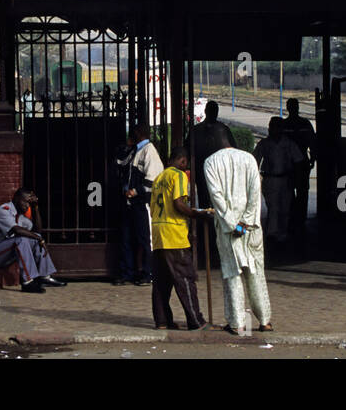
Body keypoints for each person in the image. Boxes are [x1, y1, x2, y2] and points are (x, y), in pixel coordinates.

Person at [203, 145, 272, 334]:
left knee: (232, 273)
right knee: (256, 272)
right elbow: (255, 195)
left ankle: (238, 324)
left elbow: (216, 196)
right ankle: (264, 321)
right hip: (250, 228)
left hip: (227, 229)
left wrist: (233, 224)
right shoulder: (249, 159)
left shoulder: (210, 162)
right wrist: (245, 222)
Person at [150, 147, 213, 330]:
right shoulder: (178, 175)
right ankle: (196, 321)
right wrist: (197, 214)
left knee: (162, 281)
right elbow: (179, 204)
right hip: (174, 235)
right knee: (185, 278)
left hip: (158, 234)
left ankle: (162, 321)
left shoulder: (158, 179)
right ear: (183, 161)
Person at [0, 188, 67, 293]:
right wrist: (38, 237)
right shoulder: (4, 210)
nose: (27, 205)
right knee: (21, 240)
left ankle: (44, 277)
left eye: (29, 203)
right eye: (25, 202)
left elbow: (37, 231)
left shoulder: (21, 217)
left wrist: (35, 207)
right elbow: (16, 230)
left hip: (3, 255)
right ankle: (28, 282)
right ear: (17, 199)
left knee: (35, 238)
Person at [115, 124, 163, 285]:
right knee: (127, 238)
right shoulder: (136, 150)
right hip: (131, 203)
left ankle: (148, 273)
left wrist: (135, 191)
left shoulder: (149, 152)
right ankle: (128, 273)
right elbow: (120, 163)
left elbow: (153, 180)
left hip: (142, 203)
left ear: (138, 134)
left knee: (144, 239)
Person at [255, 116, 304, 243]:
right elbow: (254, 161)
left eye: (276, 127)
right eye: (272, 127)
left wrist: (296, 179)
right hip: (270, 179)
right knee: (273, 207)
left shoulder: (288, 144)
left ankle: (283, 233)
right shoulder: (264, 144)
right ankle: (272, 234)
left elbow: (298, 161)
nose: (273, 130)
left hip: (286, 179)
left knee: (285, 208)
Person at [186, 101, 233, 210]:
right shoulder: (223, 129)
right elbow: (233, 150)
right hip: (213, 171)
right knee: (216, 201)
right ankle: (211, 225)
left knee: (208, 201)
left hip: (207, 171)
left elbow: (187, 149)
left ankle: (206, 225)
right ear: (206, 111)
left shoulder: (197, 129)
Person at [283, 98, 315, 237]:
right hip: (301, 161)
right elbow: (313, 143)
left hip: (289, 163)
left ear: (287, 108)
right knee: (302, 192)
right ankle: (300, 218)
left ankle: (292, 218)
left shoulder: (284, 124)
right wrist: (313, 158)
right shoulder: (305, 123)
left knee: (290, 191)